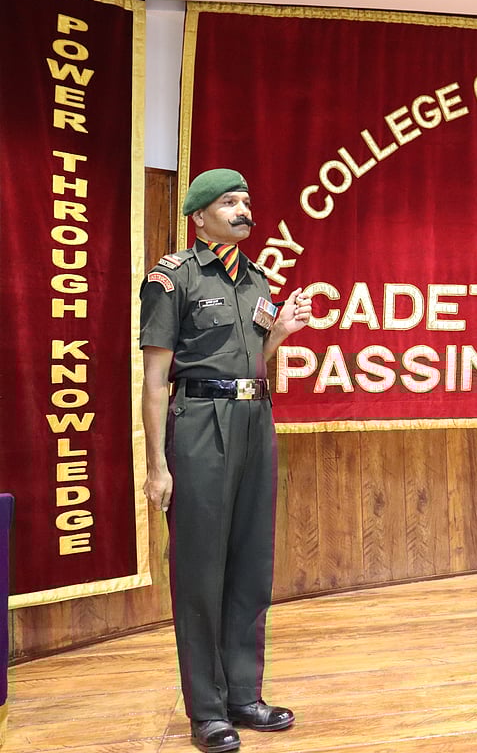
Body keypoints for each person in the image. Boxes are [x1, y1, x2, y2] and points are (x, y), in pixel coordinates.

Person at [140, 168, 312, 752]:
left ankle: (244, 694)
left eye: (246, 200)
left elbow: (254, 360)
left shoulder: (258, 281)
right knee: (200, 569)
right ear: (200, 216)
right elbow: (155, 377)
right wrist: (157, 464)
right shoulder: (173, 279)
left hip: (255, 420)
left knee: (250, 563)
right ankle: (207, 709)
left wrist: (280, 332)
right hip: (198, 426)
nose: (243, 209)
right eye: (230, 202)